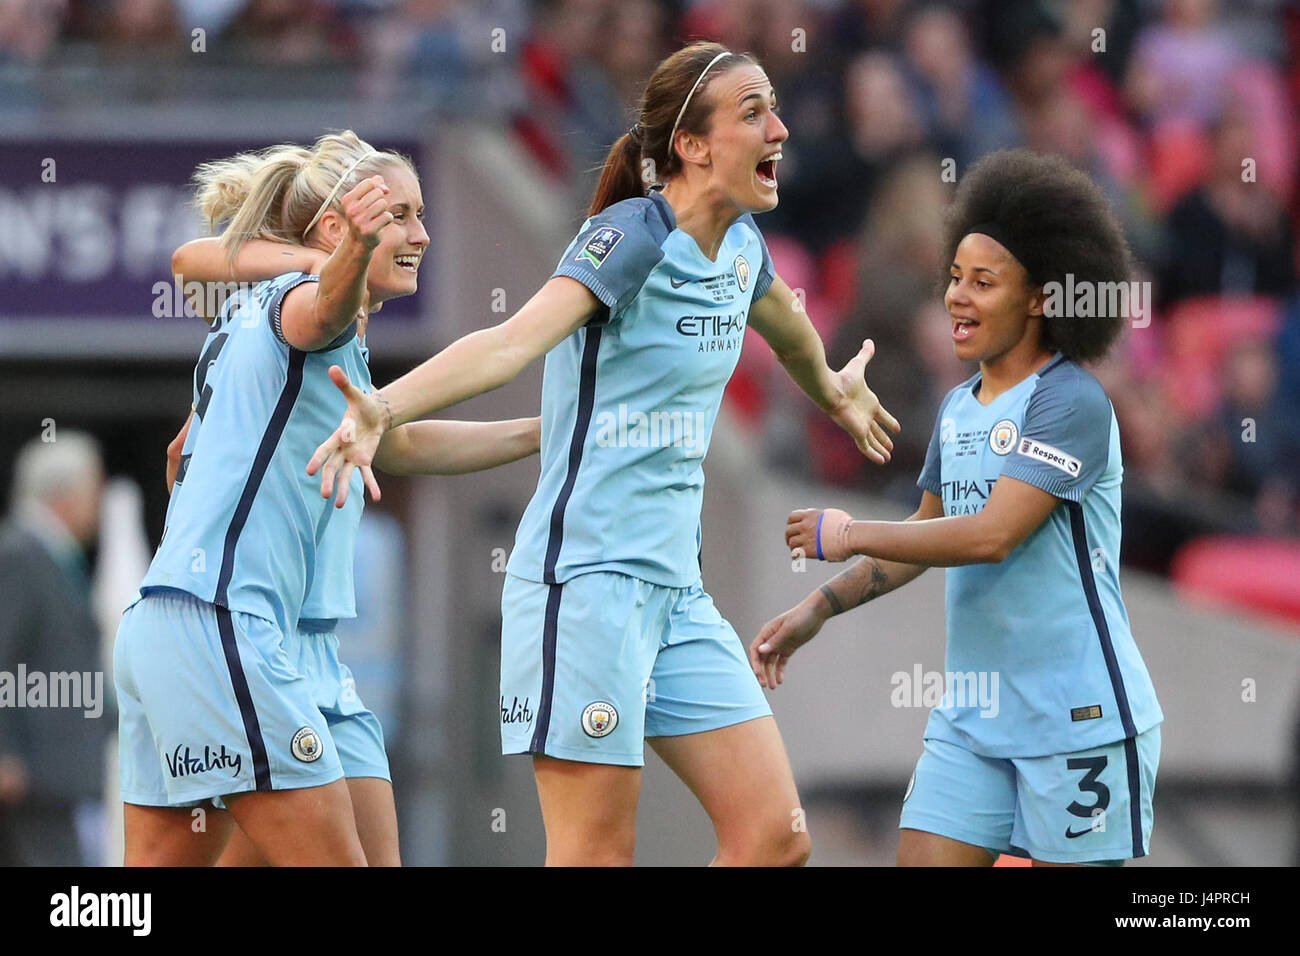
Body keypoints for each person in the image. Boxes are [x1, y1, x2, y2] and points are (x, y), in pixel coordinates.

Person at [307, 42, 900, 866]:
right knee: (596, 855)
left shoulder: (742, 249)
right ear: (691, 145)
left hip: (677, 594)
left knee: (774, 837)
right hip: (583, 587)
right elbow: (508, 343)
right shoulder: (630, 236)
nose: (782, 128)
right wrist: (384, 404)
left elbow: (788, 327)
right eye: (755, 112)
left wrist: (831, 387)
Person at [115, 131, 539, 866]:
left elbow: (400, 444)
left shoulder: (296, 323)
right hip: (220, 623)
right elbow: (310, 299)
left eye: (420, 213)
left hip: (283, 644)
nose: (421, 235)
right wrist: (335, 261)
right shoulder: (305, 303)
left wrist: (551, 430)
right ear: (340, 228)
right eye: (399, 216)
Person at [753, 149, 1163, 867]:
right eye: (953, 279)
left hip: (1077, 720)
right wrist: (820, 606)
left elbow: (992, 536)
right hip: (973, 721)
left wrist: (846, 531)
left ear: (1040, 297)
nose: (957, 299)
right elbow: (924, 534)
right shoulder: (956, 407)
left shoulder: (1072, 403)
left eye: (983, 282)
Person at [0, 433, 109, 866]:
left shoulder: (51, 555)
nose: (97, 505)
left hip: (56, 777)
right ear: (67, 493)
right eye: (94, 490)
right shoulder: (20, 556)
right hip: (33, 777)